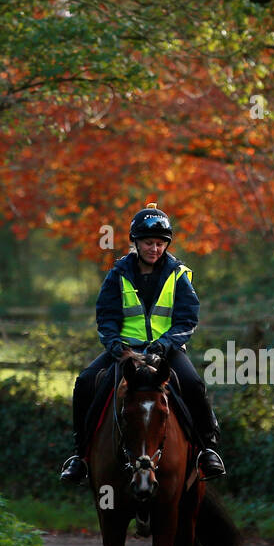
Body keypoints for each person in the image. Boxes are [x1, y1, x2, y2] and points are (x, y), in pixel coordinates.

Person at [59, 204, 226, 484]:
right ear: (135, 242)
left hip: (166, 352)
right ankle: (81, 455)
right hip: (125, 353)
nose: (155, 248)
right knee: (86, 381)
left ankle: (207, 451)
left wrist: (165, 345)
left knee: (194, 384)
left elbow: (186, 319)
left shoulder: (179, 275)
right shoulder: (117, 274)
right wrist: (115, 346)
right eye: (149, 242)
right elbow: (107, 316)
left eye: (161, 243)